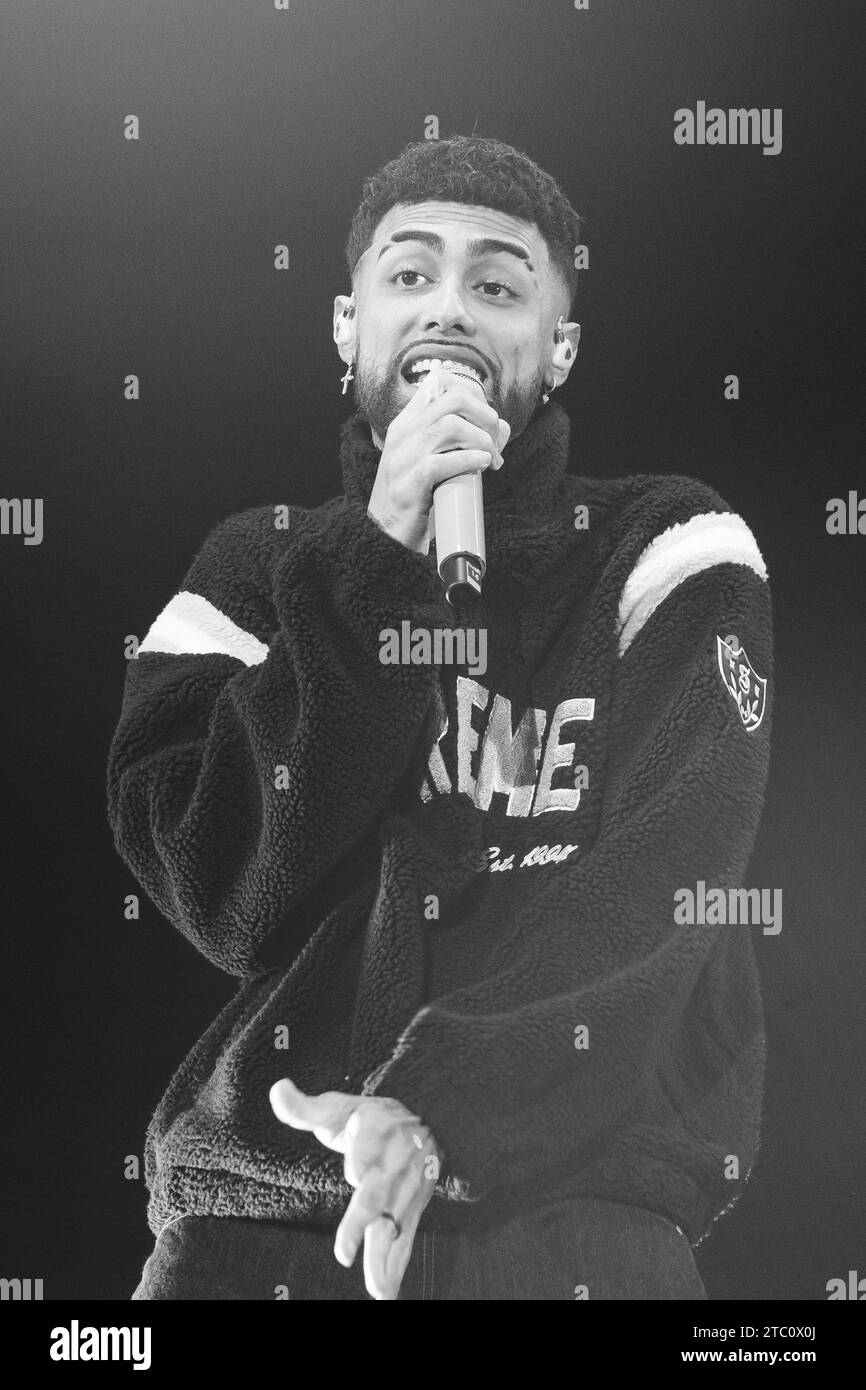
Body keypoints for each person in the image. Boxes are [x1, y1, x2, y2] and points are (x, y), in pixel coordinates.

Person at [106, 134, 773, 1301]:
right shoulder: (254, 572)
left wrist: (443, 1106)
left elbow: (670, 875)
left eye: (498, 284)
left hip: (572, 1213)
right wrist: (370, 564)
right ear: (343, 327)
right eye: (408, 276)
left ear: (556, 348)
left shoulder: (667, 548)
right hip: (264, 1216)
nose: (449, 311)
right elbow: (228, 887)